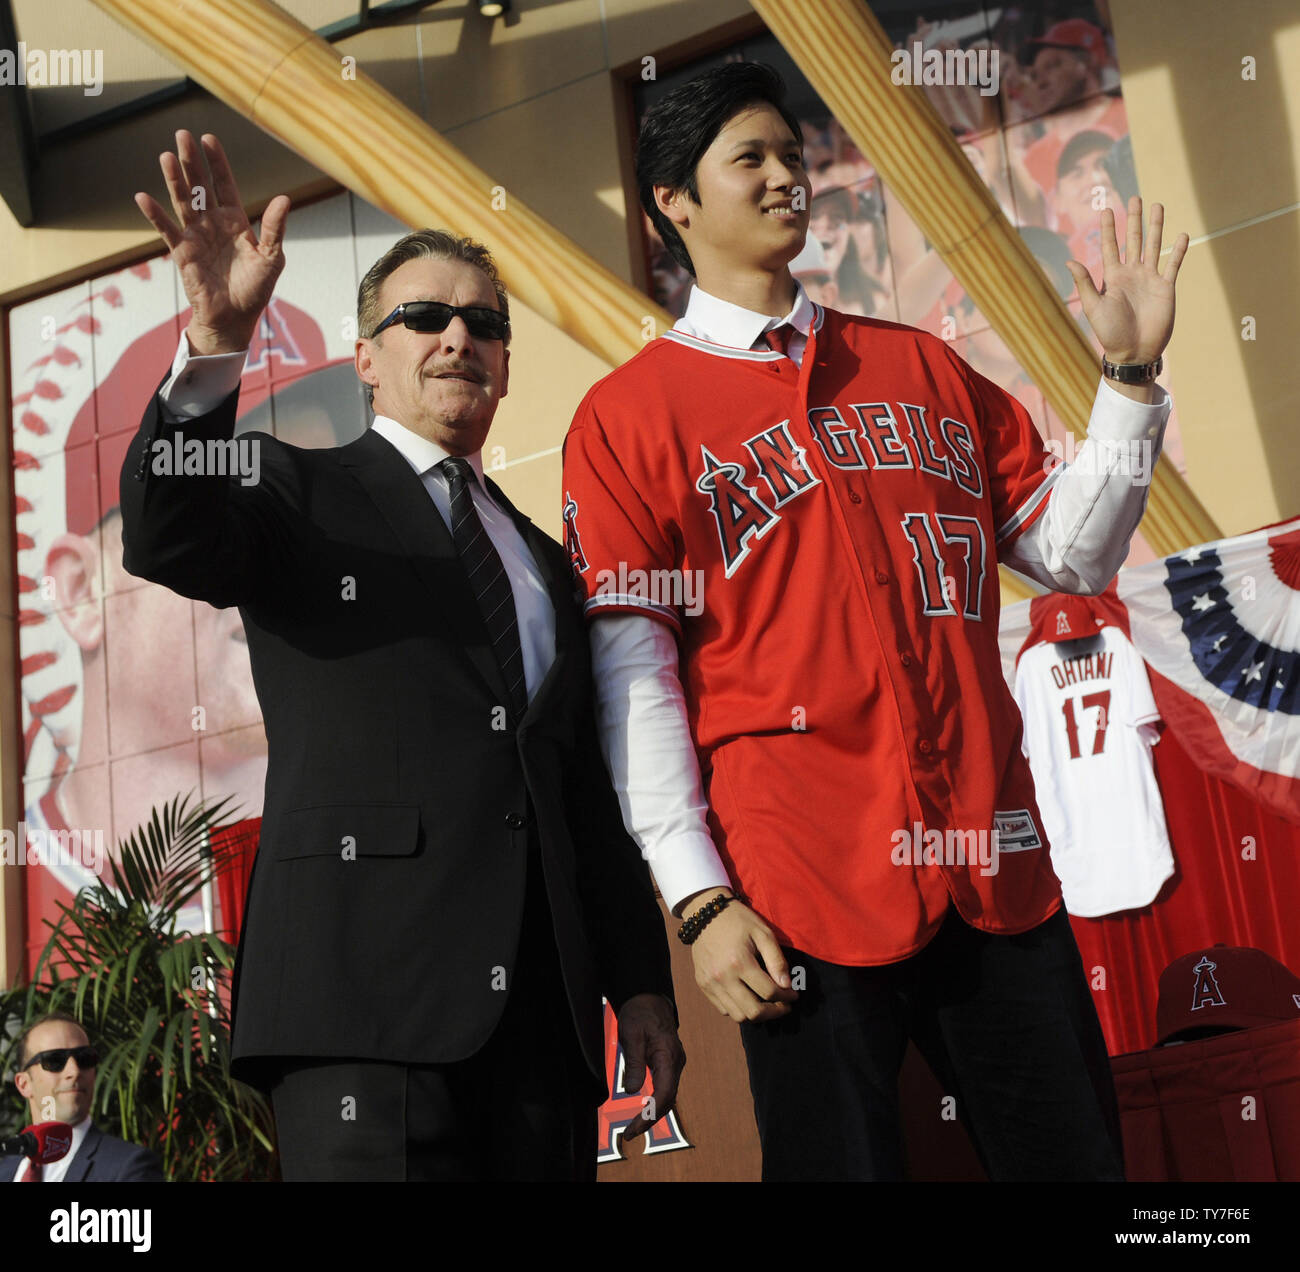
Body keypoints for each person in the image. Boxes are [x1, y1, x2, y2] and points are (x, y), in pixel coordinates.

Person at [561, 62, 1187, 1181]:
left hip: (993, 870)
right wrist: (700, 901)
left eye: (792, 157)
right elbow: (635, 677)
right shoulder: (626, 418)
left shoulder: (919, 365)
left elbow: (1072, 555)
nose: (784, 179)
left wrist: (1128, 379)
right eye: (746, 159)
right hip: (796, 884)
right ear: (673, 203)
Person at [122, 129, 682, 1181]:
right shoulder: (295, 489)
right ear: (366, 359)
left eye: (484, 323)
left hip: (539, 1038)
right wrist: (213, 341)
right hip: (360, 1013)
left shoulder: (550, 565)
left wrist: (639, 984)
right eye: (422, 316)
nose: (456, 338)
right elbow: (167, 532)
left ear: (507, 363)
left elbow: (575, 793)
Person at [2, 1013, 163, 1182]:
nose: (74, 1071)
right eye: (55, 1060)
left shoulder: (131, 1167)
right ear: (24, 1084)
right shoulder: (5, 1169)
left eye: (84, 1058)